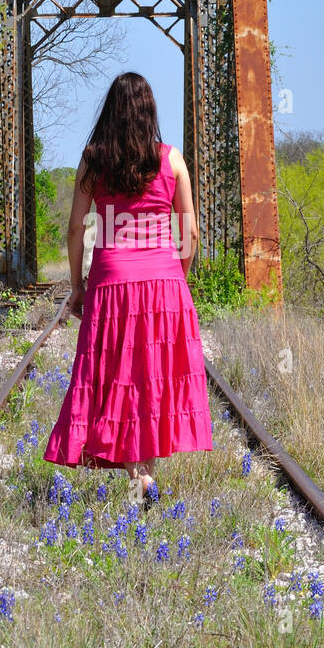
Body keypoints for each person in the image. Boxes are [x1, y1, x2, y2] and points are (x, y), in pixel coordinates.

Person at [41, 72, 214, 503]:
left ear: (111, 113)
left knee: (116, 377)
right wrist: (178, 278)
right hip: (163, 281)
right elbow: (190, 234)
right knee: (152, 378)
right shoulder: (172, 161)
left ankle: (138, 475)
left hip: (111, 282)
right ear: (149, 113)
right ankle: (144, 473)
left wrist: (78, 284)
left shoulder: (93, 160)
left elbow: (76, 228)